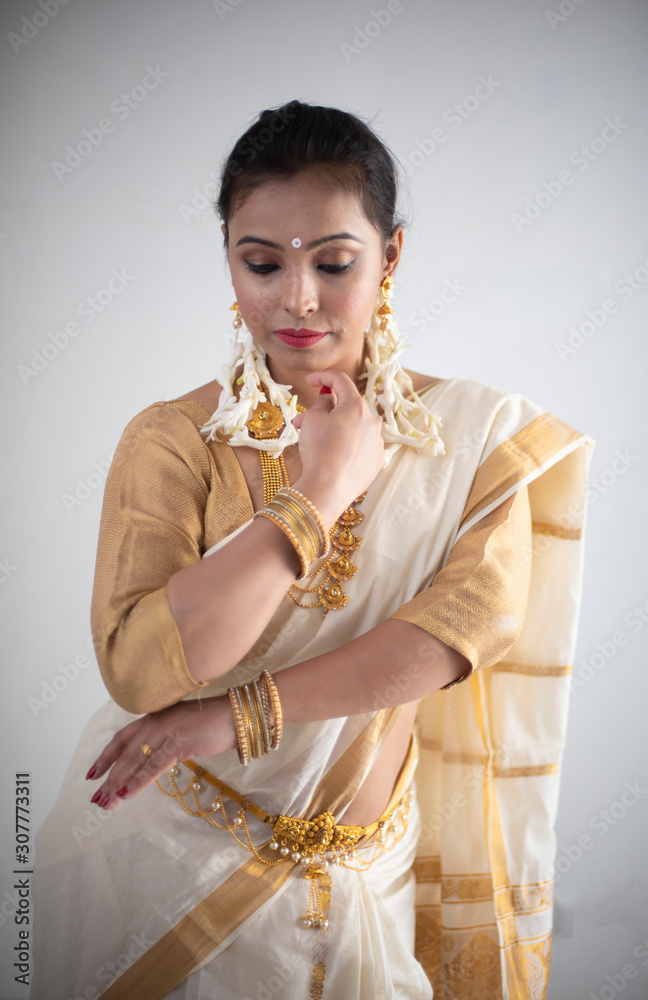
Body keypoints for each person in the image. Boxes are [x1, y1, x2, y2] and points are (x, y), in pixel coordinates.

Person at [30, 101, 593, 1000]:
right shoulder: (174, 442)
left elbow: (455, 636)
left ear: (392, 256)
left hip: (373, 883)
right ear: (228, 257)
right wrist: (319, 493)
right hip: (169, 876)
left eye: (334, 263)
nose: (296, 299)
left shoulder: (474, 439)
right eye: (262, 263)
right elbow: (142, 675)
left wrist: (229, 716)